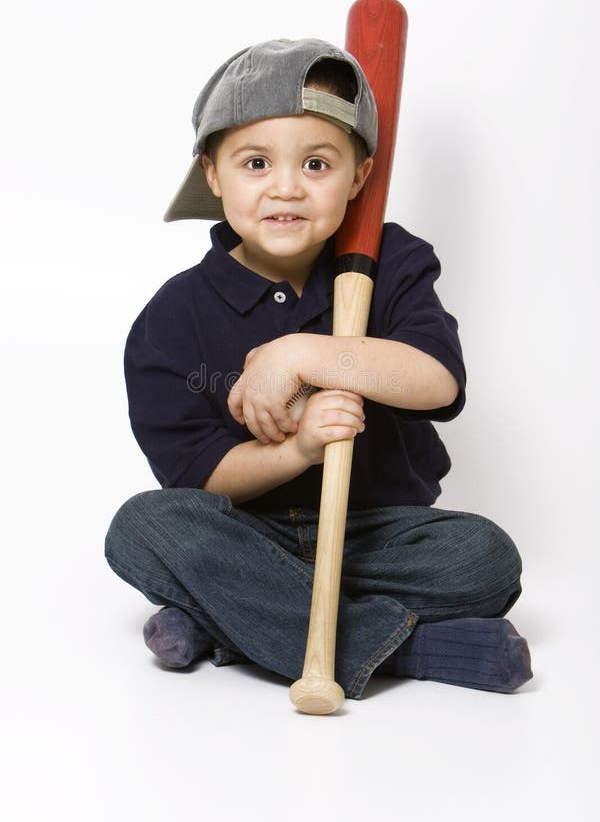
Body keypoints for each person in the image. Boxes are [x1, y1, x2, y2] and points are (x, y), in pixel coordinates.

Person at [104, 38, 533, 700]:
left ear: (360, 176)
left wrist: (300, 353)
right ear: (213, 175)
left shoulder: (392, 260)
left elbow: (437, 380)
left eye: (316, 163)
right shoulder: (173, 317)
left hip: (375, 536)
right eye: (254, 162)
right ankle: (407, 647)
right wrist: (299, 448)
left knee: (488, 560)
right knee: (141, 529)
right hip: (247, 531)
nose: (286, 187)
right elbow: (200, 476)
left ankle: (228, 620)